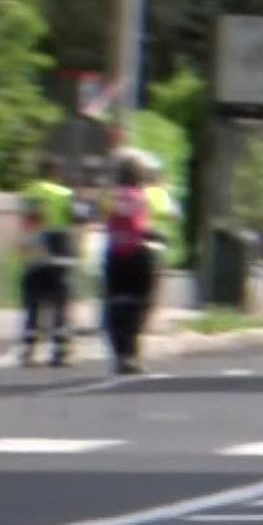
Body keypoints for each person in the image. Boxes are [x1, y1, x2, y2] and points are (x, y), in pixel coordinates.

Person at [18, 157, 80, 367]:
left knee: (33, 302)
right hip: (59, 252)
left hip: (35, 251)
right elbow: (76, 218)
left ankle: (28, 349)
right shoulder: (64, 194)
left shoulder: (30, 191)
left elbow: (28, 220)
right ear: (58, 174)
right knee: (60, 303)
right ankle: (60, 350)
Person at [100, 153, 158, 375]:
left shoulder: (111, 197)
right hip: (137, 254)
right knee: (141, 303)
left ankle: (120, 352)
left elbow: (103, 219)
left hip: (114, 253)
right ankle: (132, 352)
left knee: (114, 301)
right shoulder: (142, 197)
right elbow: (143, 227)